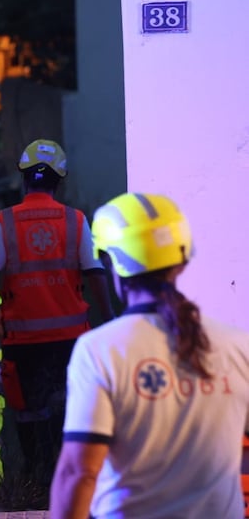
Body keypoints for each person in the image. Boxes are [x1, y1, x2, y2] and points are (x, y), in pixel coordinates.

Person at [50, 192, 249, 519]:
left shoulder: (101, 350)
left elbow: (79, 473)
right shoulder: (238, 345)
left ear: (111, 262)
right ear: (182, 262)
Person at [0, 139, 114, 487]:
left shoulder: (5, 222)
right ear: (59, 181)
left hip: (23, 341)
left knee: (30, 415)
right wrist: (109, 319)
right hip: (71, 342)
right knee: (70, 415)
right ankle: (72, 488)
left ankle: (37, 485)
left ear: (24, 179)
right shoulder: (75, 221)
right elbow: (95, 274)